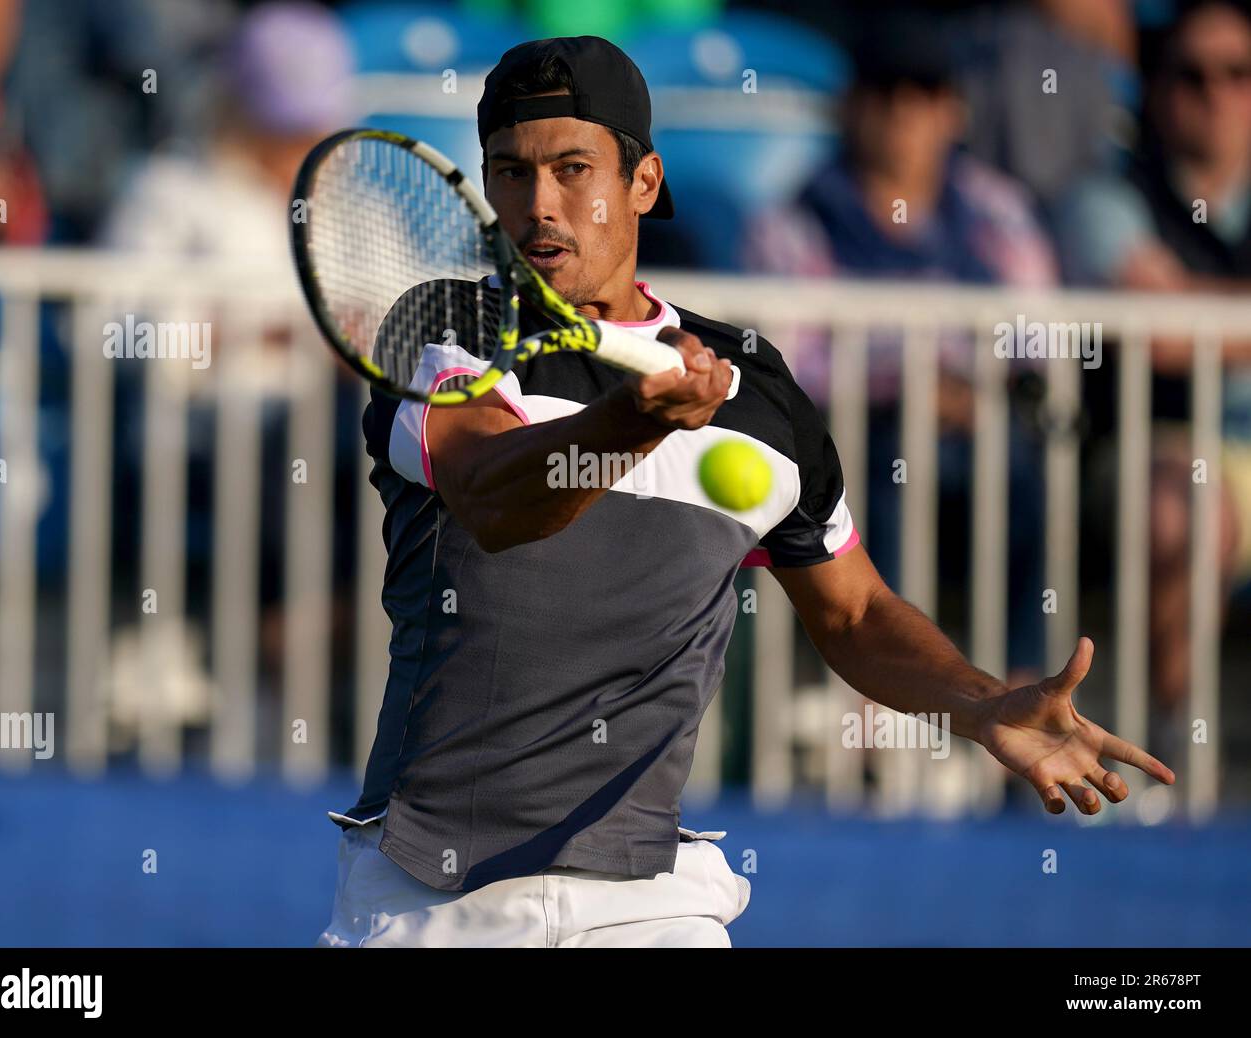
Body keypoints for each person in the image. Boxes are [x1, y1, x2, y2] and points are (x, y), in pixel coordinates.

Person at [318, 35, 1174, 949]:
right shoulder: (444, 328)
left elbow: (853, 614)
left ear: (644, 182)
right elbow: (496, 502)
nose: (542, 205)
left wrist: (978, 703)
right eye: (512, 173)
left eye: (575, 170)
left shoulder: (756, 387)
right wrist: (638, 422)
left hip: (652, 901)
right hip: (428, 894)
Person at [745, 29, 1058, 689]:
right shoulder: (795, 221)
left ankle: (1025, 689)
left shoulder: (995, 212)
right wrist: (904, 386)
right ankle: (882, 701)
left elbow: (1039, 341)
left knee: (1030, 475)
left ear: (953, 110)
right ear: (851, 106)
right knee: (886, 468)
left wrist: (974, 390)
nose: (902, 113)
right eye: (884, 93)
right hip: (856, 440)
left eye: (924, 93)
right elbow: (790, 368)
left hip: (980, 432)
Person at [1055, 0, 1251, 739]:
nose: (1217, 94)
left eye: (1238, 73)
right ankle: (1166, 753)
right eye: (1192, 75)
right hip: (1157, 445)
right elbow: (1164, 330)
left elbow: (1185, 315)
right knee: (1185, 506)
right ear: (1156, 90)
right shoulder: (1104, 196)